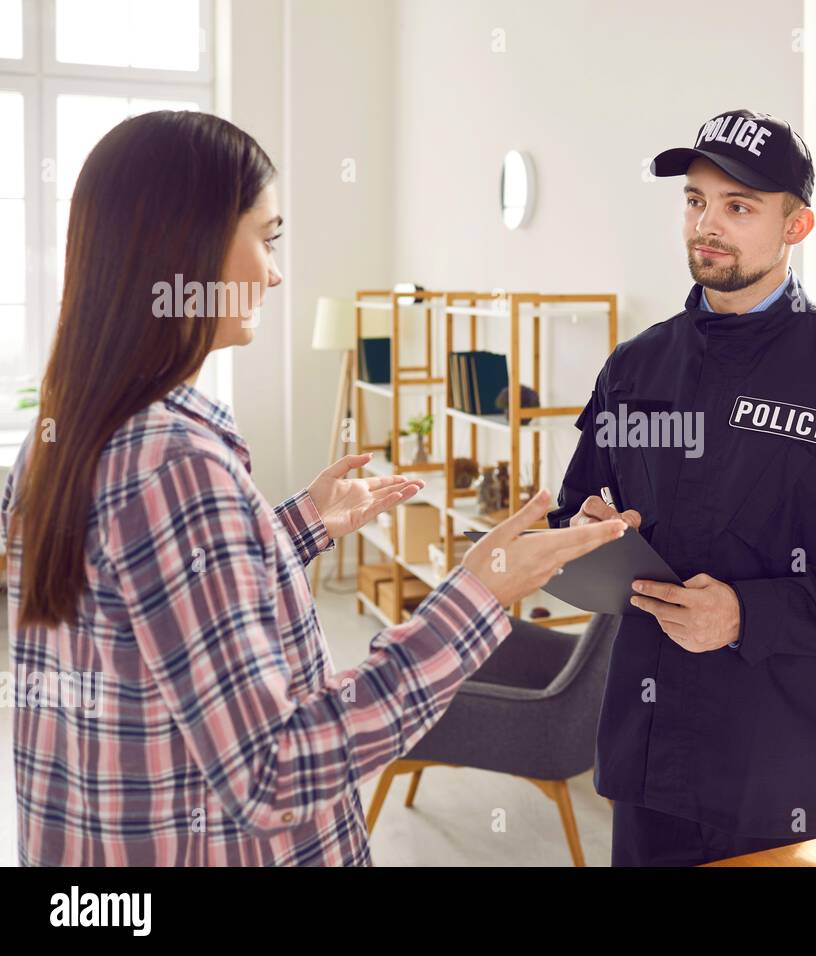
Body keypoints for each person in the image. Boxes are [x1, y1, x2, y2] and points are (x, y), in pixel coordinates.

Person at [1, 110, 625, 866]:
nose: (275, 271)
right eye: (266, 238)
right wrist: (482, 591)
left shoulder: (63, 439)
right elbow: (275, 773)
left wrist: (292, 528)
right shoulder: (177, 467)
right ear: (186, 247)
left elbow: (150, 619)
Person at [549, 108, 816, 866]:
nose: (709, 224)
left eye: (739, 207)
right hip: (651, 761)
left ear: (796, 227)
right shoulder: (634, 368)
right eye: (697, 201)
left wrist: (747, 615)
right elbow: (574, 508)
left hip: (790, 771)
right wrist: (586, 527)